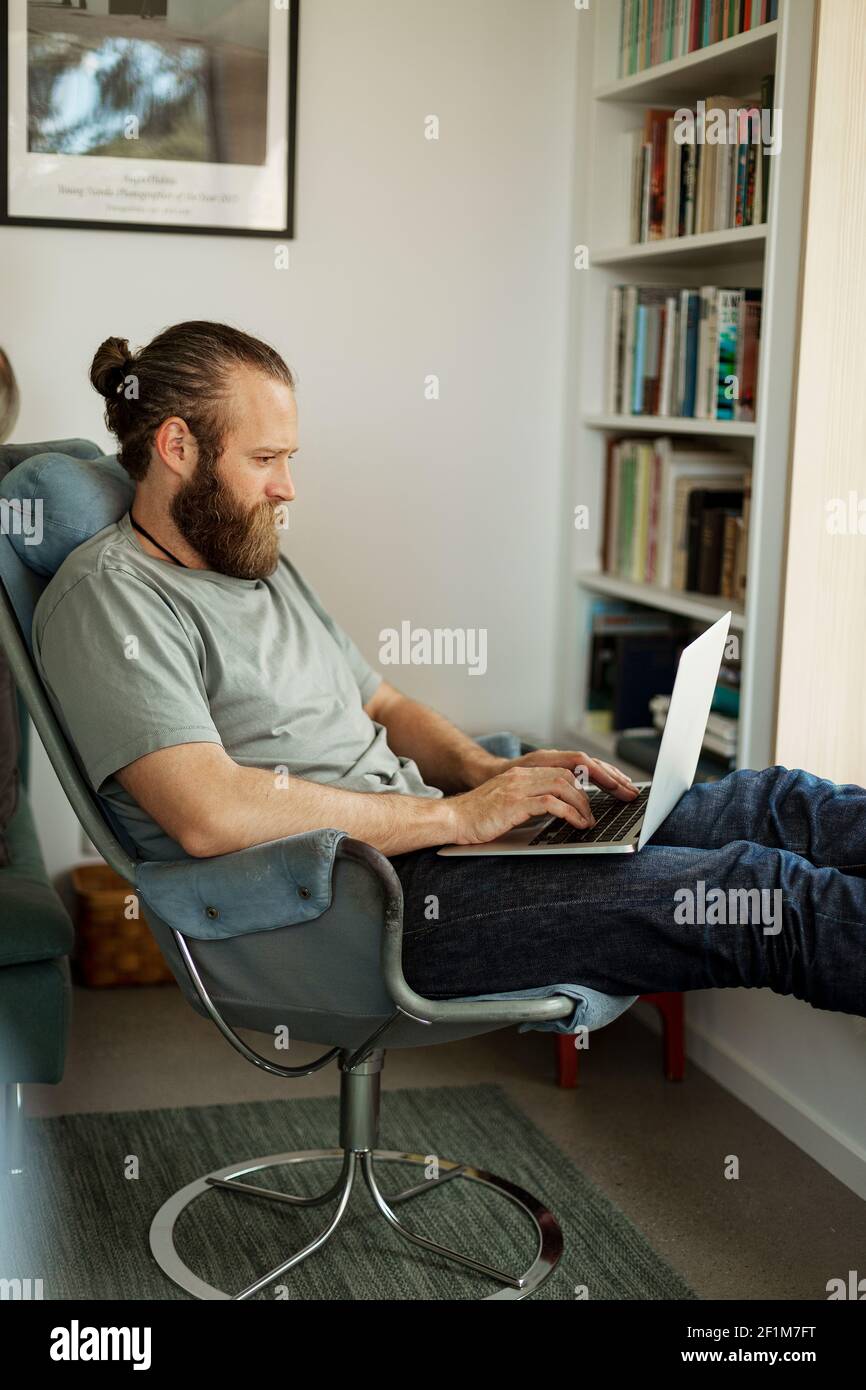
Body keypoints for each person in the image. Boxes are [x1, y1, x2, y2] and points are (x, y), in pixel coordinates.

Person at [31, 321, 866, 1023]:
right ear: (177, 443)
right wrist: (459, 820)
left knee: (774, 805)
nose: (288, 487)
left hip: (437, 846)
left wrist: (489, 776)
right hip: (359, 909)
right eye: (265, 459)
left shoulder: (250, 559)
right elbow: (209, 816)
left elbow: (381, 701)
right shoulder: (113, 600)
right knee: (763, 897)